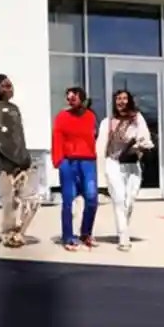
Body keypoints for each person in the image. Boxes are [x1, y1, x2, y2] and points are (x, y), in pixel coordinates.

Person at [0, 74, 39, 248]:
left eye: (10, 85)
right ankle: (8, 234)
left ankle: (19, 231)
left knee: (32, 200)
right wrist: (14, 161)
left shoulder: (14, 109)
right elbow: (0, 140)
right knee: (10, 202)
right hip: (5, 167)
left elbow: (17, 139)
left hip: (22, 164)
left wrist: (24, 159)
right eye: (4, 86)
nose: (9, 89)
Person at [97, 89, 153, 251]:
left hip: (133, 164)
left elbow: (145, 137)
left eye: (124, 99)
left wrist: (141, 145)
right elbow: (100, 147)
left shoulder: (137, 119)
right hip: (113, 163)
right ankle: (123, 237)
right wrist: (100, 172)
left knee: (130, 201)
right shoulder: (107, 122)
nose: (121, 102)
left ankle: (123, 229)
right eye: (118, 99)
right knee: (119, 199)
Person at [52, 86, 99, 251]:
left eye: (75, 96)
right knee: (68, 199)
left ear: (82, 98)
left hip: (88, 161)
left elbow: (93, 136)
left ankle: (86, 232)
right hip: (68, 160)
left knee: (92, 197)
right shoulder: (62, 117)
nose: (71, 99)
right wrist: (58, 160)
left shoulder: (91, 116)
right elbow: (57, 137)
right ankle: (68, 236)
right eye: (68, 97)